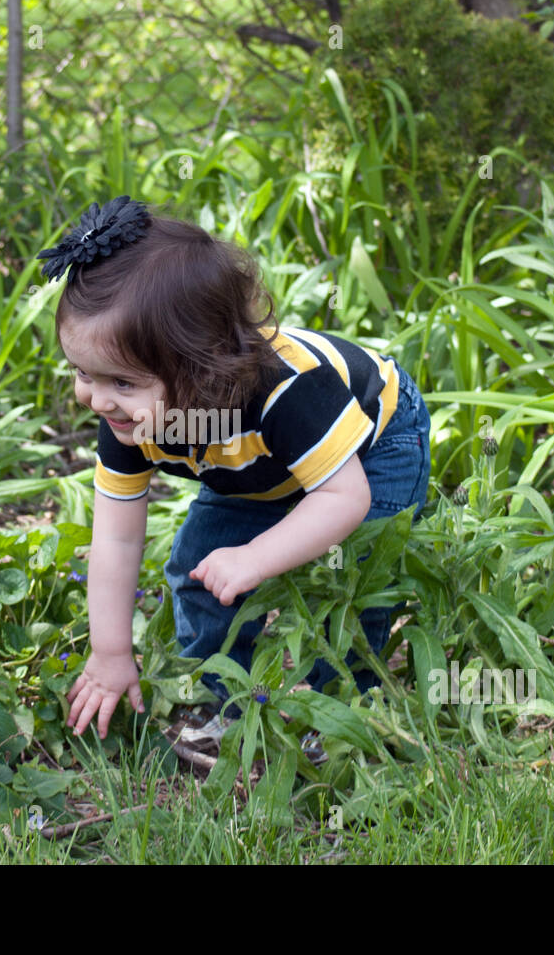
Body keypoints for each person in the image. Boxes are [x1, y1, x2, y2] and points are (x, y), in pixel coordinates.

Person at [36, 196, 431, 742]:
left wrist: (257, 555)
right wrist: (109, 651)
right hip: (251, 466)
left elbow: (345, 498)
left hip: (371, 442)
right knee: (200, 570)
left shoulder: (288, 392)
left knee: (350, 576)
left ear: (200, 367)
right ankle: (218, 694)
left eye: (122, 383)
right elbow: (117, 541)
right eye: (82, 373)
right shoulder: (128, 421)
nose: (97, 400)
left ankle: (341, 707)